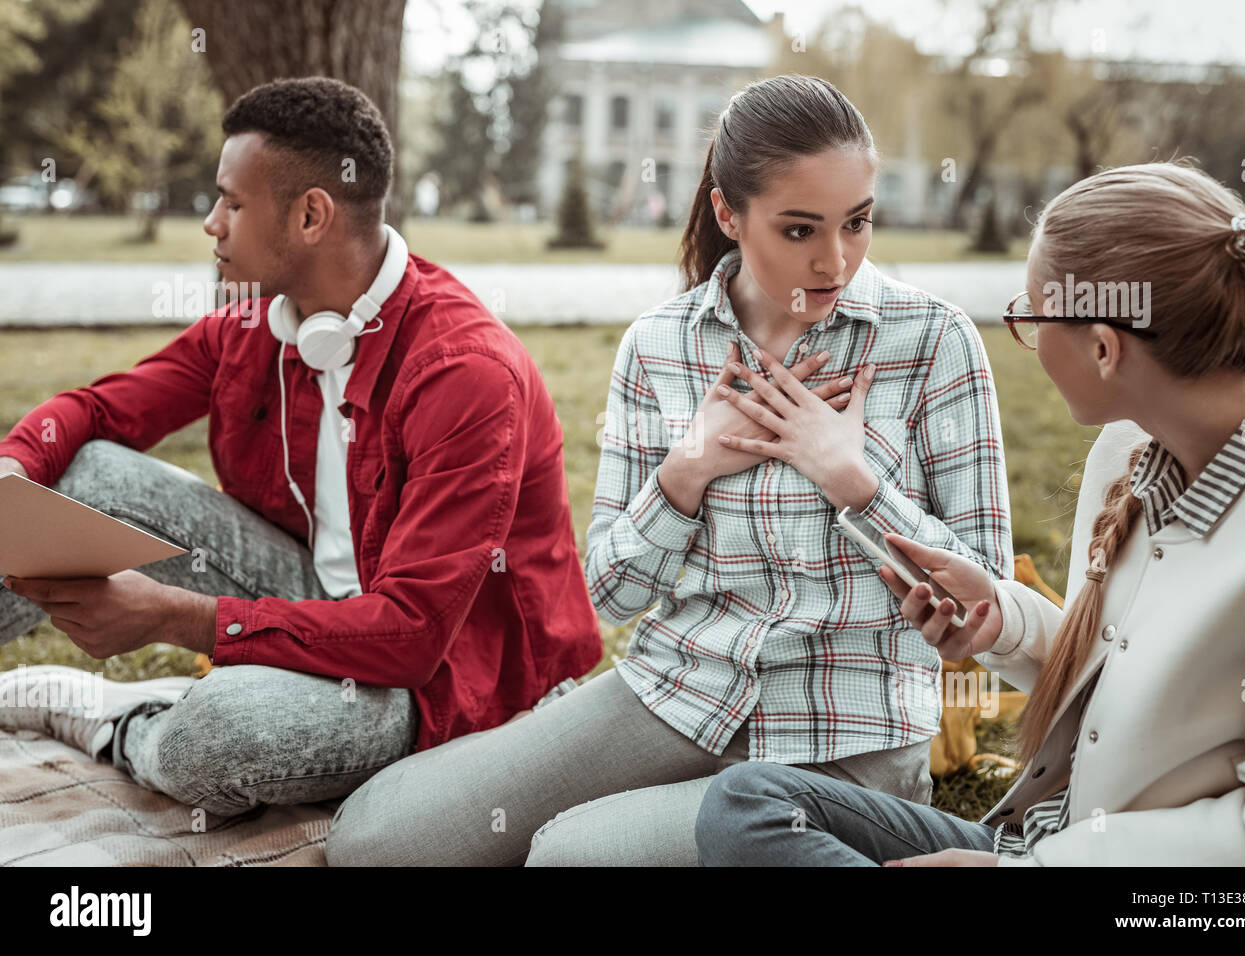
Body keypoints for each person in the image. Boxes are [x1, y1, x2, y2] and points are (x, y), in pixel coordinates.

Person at [325, 74, 1013, 866]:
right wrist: (687, 470)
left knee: (570, 856)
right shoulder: (659, 345)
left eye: (857, 222)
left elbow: (982, 606)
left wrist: (852, 481)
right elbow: (614, 591)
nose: (836, 260)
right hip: (675, 691)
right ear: (728, 213)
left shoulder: (934, 343)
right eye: (800, 230)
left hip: (845, 736)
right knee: (377, 840)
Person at [0, 77, 602, 817]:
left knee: (216, 739)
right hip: (310, 604)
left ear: (311, 213)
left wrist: (170, 617)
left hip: (436, 676)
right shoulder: (256, 322)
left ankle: (113, 719)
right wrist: (14, 470)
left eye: (232, 202)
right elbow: (94, 411)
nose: (212, 223)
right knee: (69, 474)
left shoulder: (465, 373)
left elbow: (409, 638)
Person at [694, 159, 1245, 867]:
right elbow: (1123, 683)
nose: (1025, 334)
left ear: (1104, 348)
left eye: (1031, 315)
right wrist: (1000, 620)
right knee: (748, 803)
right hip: (1040, 840)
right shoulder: (1131, 451)